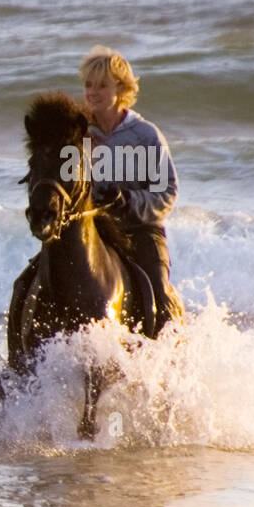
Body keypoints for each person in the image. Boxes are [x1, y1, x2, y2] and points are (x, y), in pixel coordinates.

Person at [80, 45, 183, 334]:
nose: (93, 92)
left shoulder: (146, 134)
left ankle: (167, 359)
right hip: (92, 231)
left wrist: (127, 201)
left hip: (139, 230)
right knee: (28, 281)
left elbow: (167, 191)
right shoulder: (77, 134)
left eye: (102, 85)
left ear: (121, 89)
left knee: (160, 300)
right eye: (88, 85)